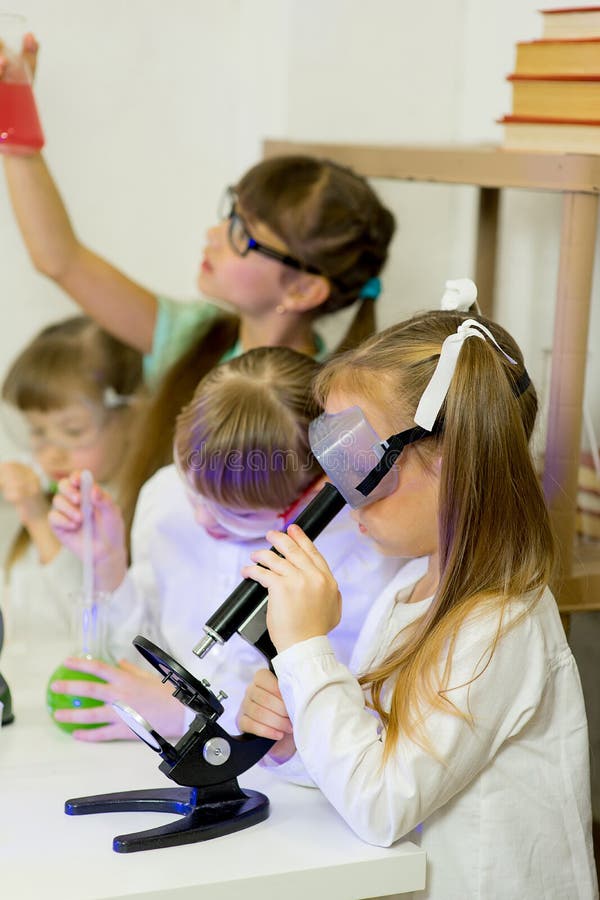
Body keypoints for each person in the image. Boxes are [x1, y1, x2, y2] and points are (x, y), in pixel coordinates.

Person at [236, 312, 598, 899]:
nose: (345, 494)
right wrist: (299, 736)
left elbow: (382, 806)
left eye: (362, 465)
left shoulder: (499, 623)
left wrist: (305, 651)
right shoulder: (407, 592)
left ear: (452, 459)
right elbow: (370, 763)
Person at [0, 35, 396, 536]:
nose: (213, 236)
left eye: (242, 234)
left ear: (302, 291)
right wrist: (14, 116)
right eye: (229, 213)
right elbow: (58, 259)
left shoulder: (335, 410)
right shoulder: (193, 336)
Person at [47, 347, 401, 740]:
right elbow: (146, 660)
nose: (202, 519)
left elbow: (351, 722)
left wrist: (187, 719)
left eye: (240, 515)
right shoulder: (165, 497)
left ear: (316, 491)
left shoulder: (364, 552)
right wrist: (109, 566)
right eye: (193, 492)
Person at [0, 316, 142, 643]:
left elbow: (88, 627)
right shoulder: (48, 495)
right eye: (37, 431)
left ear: (131, 418)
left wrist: (37, 518)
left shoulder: (128, 515)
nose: (52, 453)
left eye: (72, 431)